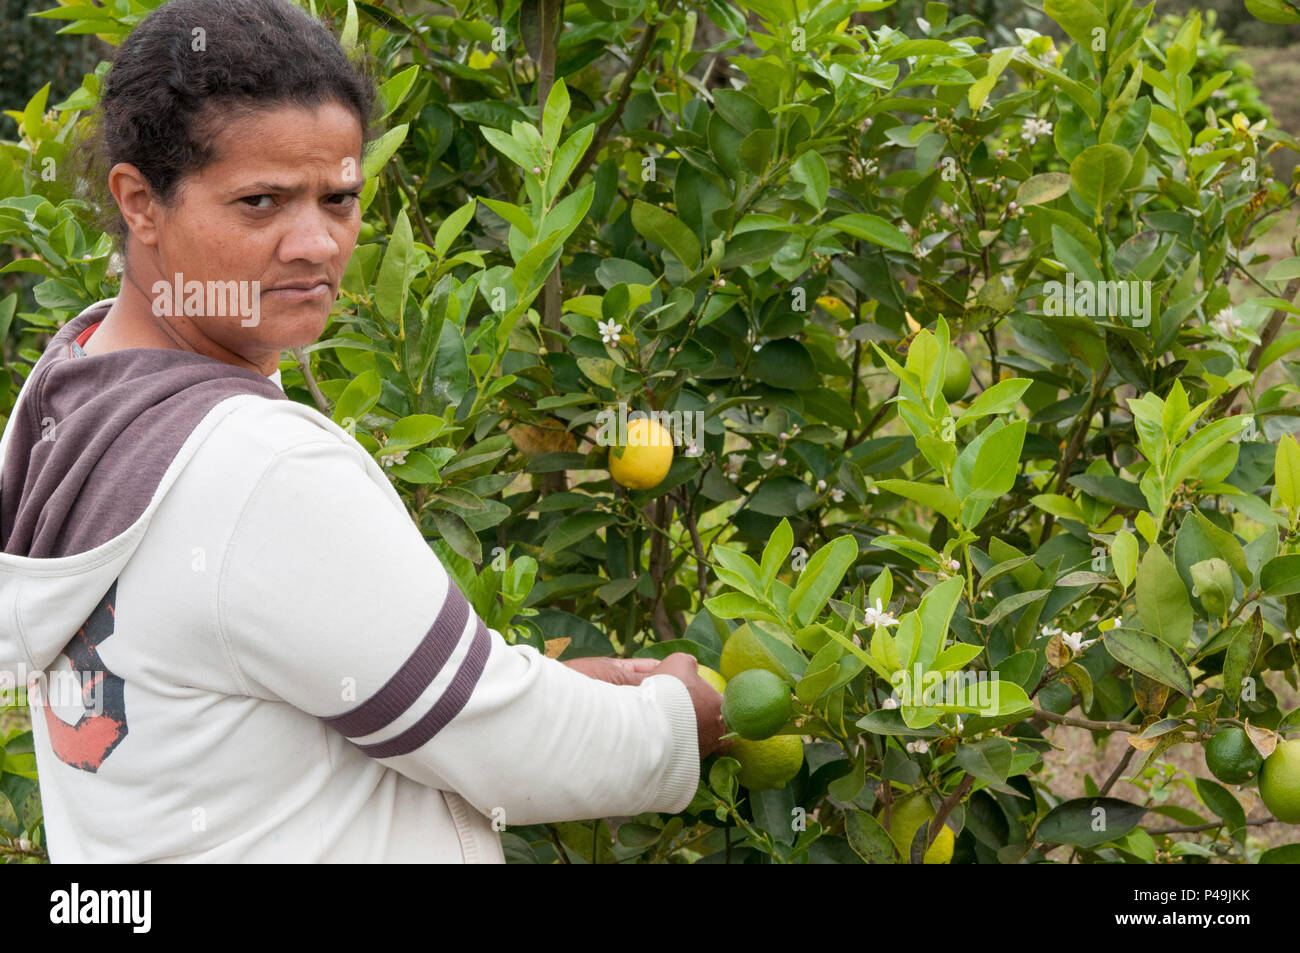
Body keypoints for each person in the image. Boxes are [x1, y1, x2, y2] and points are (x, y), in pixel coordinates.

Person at [0, 0, 728, 863]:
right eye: (261, 201)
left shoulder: (69, 385)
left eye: (338, 197)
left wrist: (510, 688)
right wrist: (681, 715)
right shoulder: (258, 468)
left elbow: (267, 680)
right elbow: (510, 750)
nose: (315, 243)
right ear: (139, 201)